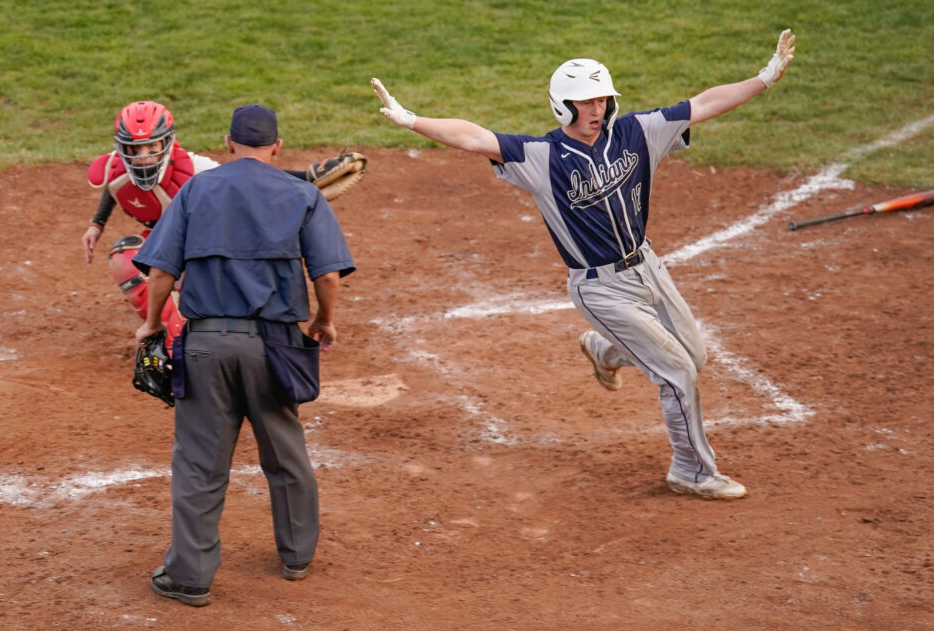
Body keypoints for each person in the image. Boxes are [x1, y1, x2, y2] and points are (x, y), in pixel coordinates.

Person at [371, 29, 796, 500]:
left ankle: (607, 352)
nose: (596, 110)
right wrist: (411, 119)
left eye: (602, 100)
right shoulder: (540, 157)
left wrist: (764, 77)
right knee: (678, 373)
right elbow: (472, 136)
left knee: (695, 356)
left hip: (650, 268)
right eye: (585, 102)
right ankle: (691, 470)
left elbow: (703, 104)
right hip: (600, 288)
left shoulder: (638, 133)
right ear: (563, 106)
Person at [131, 103, 356, 606]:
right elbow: (327, 275)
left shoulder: (195, 190)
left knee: (199, 464)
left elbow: (161, 272)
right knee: (285, 451)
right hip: (275, 347)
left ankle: (189, 577)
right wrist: (323, 320)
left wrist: (150, 325)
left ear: (228, 143)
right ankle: (297, 555)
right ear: (277, 146)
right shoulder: (302, 194)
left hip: (206, 345)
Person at [82, 100, 362, 346]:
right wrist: (97, 224)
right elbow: (115, 183)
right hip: (169, 243)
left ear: (167, 142)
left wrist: (306, 179)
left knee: (180, 273)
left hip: (195, 245)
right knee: (125, 256)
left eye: (151, 146)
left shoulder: (195, 171)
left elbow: (245, 174)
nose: (143, 155)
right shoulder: (114, 167)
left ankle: (179, 334)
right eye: (134, 148)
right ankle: (159, 324)